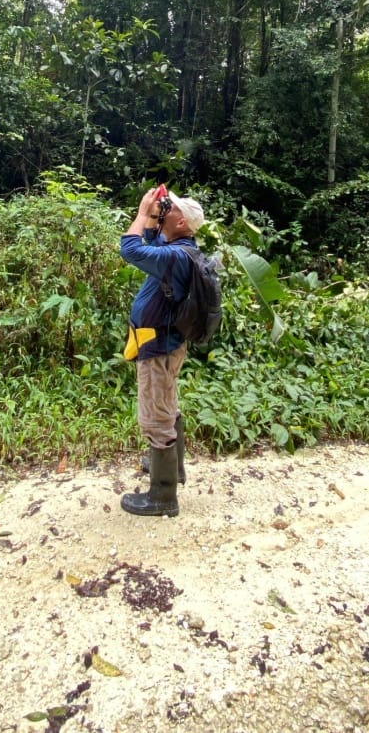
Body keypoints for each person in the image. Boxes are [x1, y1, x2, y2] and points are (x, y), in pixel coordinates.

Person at [118, 186, 205, 517]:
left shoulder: (175, 257)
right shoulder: (178, 249)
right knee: (165, 404)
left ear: (181, 222)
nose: (165, 210)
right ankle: (172, 469)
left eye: (170, 209)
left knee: (155, 414)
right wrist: (155, 216)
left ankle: (162, 496)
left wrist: (142, 213)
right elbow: (150, 242)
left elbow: (131, 249)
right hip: (165, 343)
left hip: (159, 348)